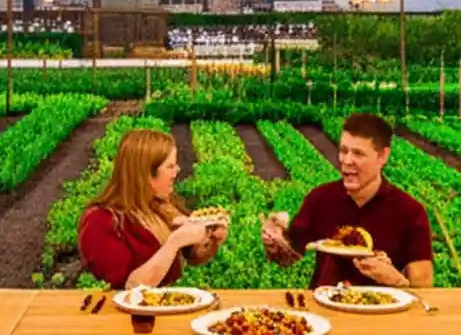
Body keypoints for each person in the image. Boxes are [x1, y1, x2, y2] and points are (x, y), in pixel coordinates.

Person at [261, 113, 434, 289]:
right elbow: (288, 257)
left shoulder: (410, 212)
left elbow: (423, 288)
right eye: (343, 151)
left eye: (358, 153)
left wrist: (394, 279)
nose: (347, 161)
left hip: (382, 312)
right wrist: (274, 240)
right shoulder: (321, 199)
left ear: (382, 156)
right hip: (324, 308)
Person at [78, 129, 228, 289]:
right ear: (145, 174)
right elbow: (130, 288)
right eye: (170, 166)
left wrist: (211, 239)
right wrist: (174, 242)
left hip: (164, 305)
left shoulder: (160, 203)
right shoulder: (101, 221)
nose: (177, 171)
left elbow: (190, 253)